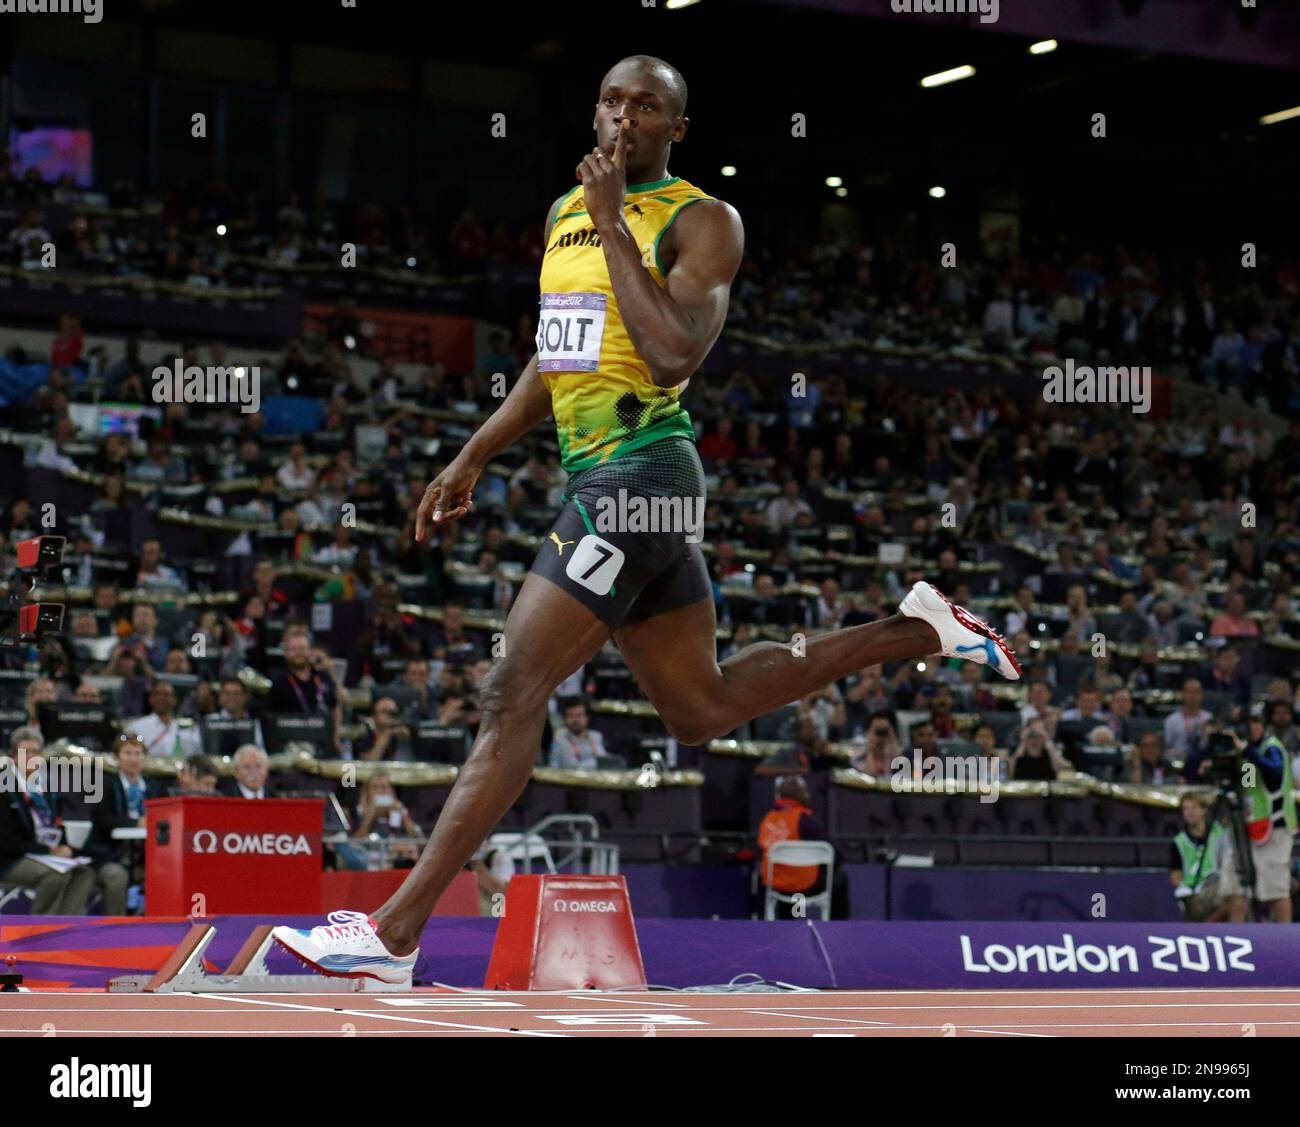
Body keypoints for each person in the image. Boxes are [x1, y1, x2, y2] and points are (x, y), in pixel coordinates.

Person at [272, 55, 1019, 984]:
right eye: (613, 101)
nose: (625, 117)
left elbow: (669, 355)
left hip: (645, 472)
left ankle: (392, 934)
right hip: (604, 474)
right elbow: (558, 356)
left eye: (648, 106)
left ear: (676, 130)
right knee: (699, 706)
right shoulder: (560, 213)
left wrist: (617, 217)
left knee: (512, 688)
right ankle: (920, 628)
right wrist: (476, 450)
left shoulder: (704, 220)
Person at [0, 727, 95, 914]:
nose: (32, 757)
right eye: (26, 752)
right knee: (54, 876)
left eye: (36, 752)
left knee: (84, 874)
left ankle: (64, 930)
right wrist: (48, 851)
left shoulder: (46, 786)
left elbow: (57, 822)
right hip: (11, 858)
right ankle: (38, 931)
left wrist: (65, 845)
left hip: (44, 853)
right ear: (13, 757)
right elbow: (4, 838)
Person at [1217, 714, 1295, 923]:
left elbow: (1274, 774)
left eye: (1256, 723)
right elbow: (1250, 786)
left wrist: (1247, 751)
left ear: (1264, 725)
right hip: (1250, 826)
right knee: (1238, 887)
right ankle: (1238, 937)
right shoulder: (1248, 758)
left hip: (1275, 826)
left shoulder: (1271, 747)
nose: (1252, 728)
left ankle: (1284, 939)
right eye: (1248, 723)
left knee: (1275, 889)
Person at [85, 733, 160, 916]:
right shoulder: (104, 785)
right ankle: (116, 929)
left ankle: (158, 926)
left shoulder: (153, 787)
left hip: (145, 856)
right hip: (110, 854)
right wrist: (136, 823)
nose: (133, 759)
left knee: (165, 873)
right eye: (128, 753)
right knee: (116, 876)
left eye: (138, 753)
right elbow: (102, 820)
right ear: (116, 758)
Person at [755, 775, 848, 919]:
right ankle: (837, 928)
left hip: (776, 886)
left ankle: (785, 926)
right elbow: (836, 854)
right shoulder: (806, 820)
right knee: (840, 876)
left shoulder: (767, 820)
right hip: (805, 887)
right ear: (803, 795)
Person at [1170, 793, 1229, 923]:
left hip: (1218, 884)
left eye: (1194, 808)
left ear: (1204, 811)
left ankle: (1206, 926)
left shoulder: (1219, 832)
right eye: (1186, 809)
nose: (1189, 813)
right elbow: (1175, 875)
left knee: (1233, 897)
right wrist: (1183, 887)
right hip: (1194, 892)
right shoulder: (1179, 841)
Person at [125, 680, 202, 757]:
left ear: (174, 700)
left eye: (167, 694)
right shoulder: (136, 727)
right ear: (150, 699)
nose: (162, 698)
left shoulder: (189, 728)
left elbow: (197, 754)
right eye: (158, 694)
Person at [548, 697, 607, 770]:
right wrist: (595, 763)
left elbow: (604, 762)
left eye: (579, 715)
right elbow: (556, 769)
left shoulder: (596, 736)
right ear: (565, 719)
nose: (575, 720)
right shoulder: (559, 742)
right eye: (571, 716)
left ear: (587, 718)